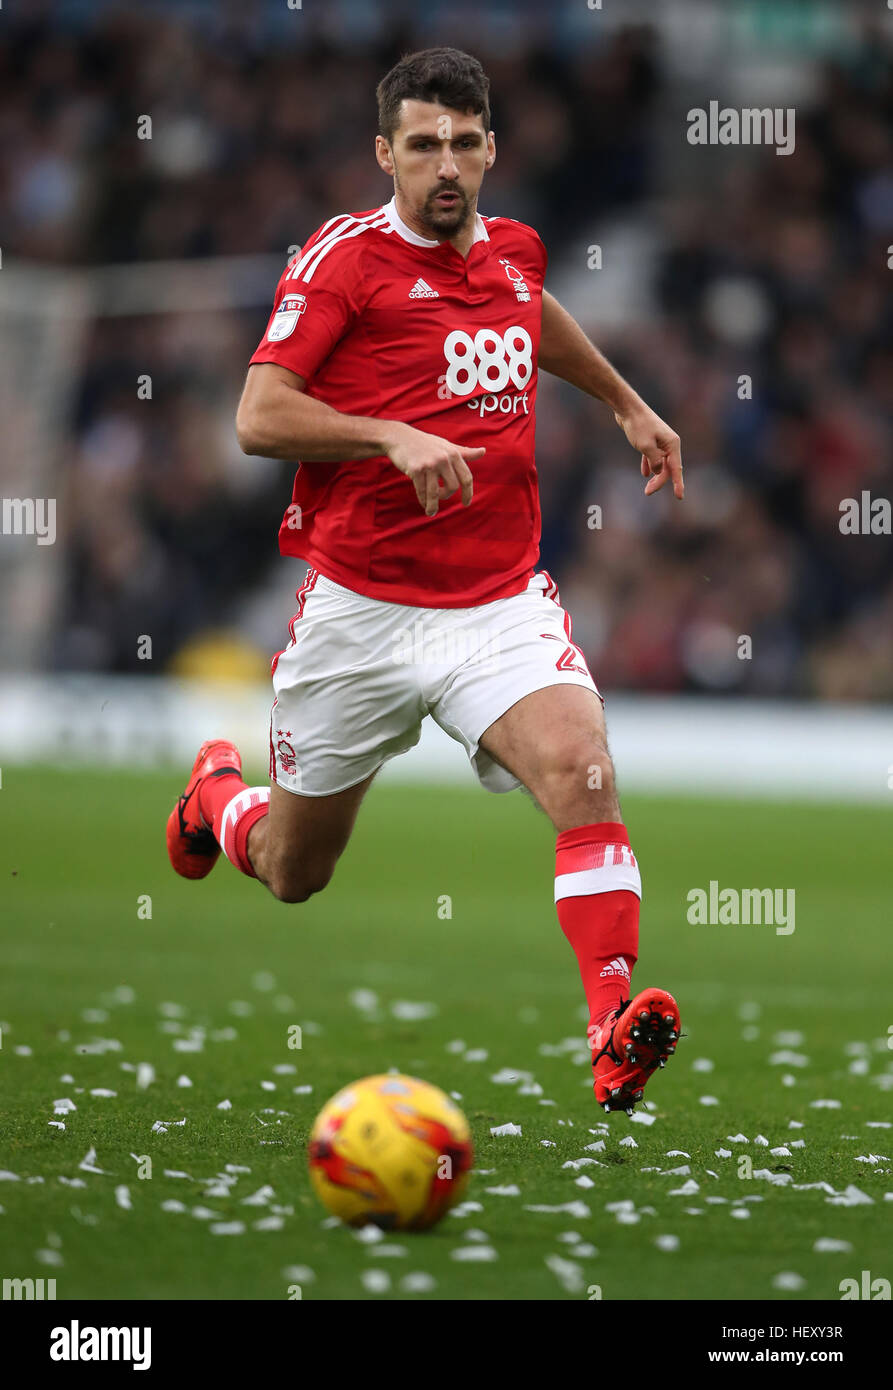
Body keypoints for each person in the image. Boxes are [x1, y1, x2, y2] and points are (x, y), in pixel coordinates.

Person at [167, 47, 684, 1114]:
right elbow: (258, 416)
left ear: (489, 147)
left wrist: (625, 403)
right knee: (291, 868)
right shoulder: (340, 262)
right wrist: (385, 436)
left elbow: (531, 316)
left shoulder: (513, 250)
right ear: (384, 154)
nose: (442, 165)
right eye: (420, 146)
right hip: (360, 612)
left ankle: (608, 1027)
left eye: (460, 143)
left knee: (583, 770)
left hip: (496, 601)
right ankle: (217, 794)